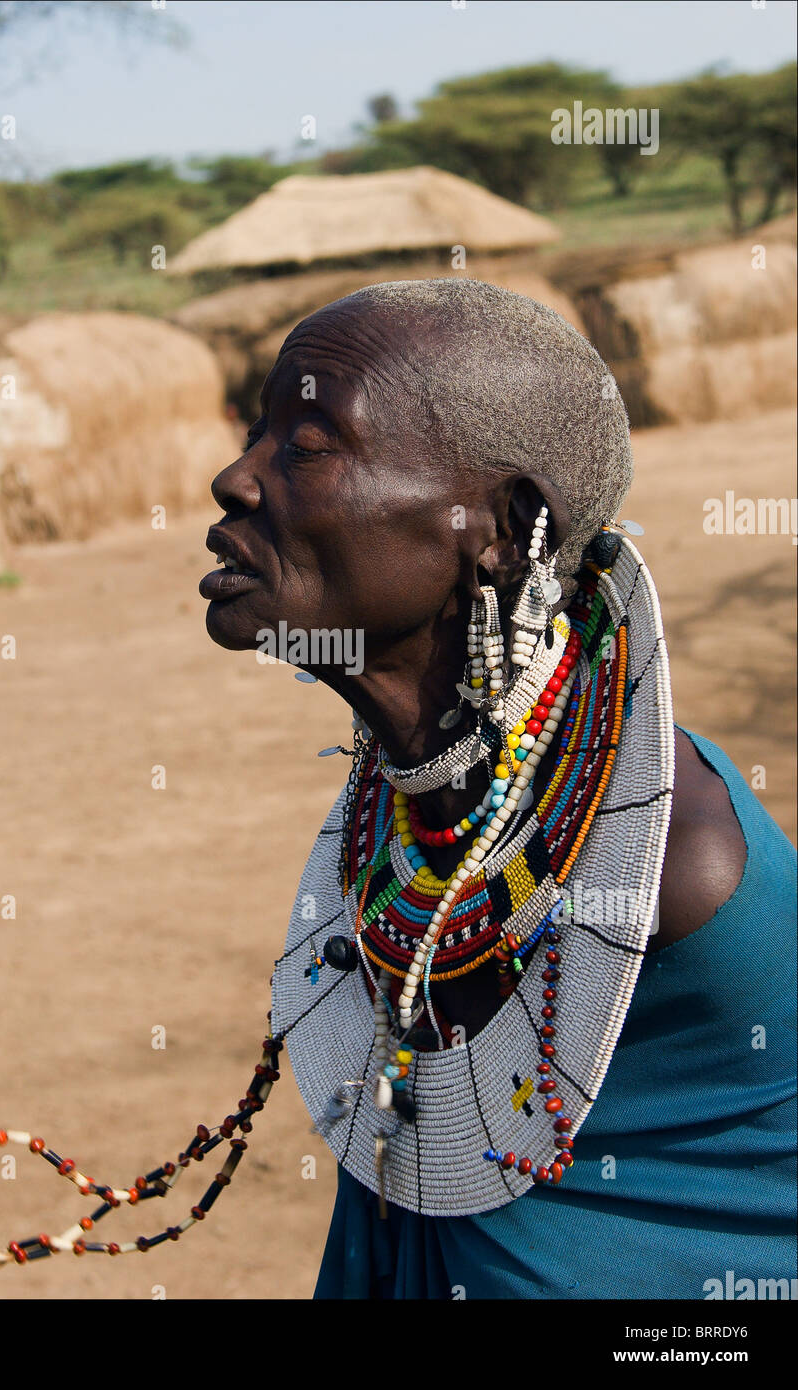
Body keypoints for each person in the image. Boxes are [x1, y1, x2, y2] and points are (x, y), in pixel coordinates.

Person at [200, 278, 797, 1300]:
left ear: (500, 523)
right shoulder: (421, 815)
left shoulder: (679, 870)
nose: (235, 481)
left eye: (305, 445)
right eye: (257, 433)